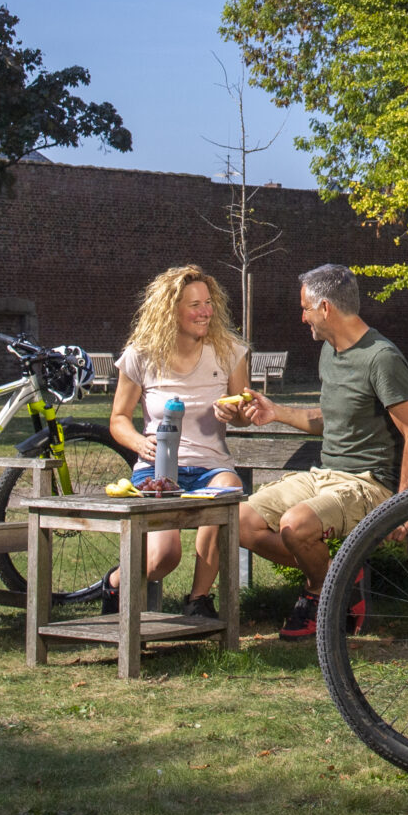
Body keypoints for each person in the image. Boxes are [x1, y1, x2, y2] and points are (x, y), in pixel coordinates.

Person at [229, 263, 408, 639]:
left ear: (326, 308)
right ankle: (341, 578)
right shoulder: (330, 352)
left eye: (305, 308)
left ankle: (321, 593)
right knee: (239, 521)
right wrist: (276, 412)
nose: (302, 317)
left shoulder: (381, 358)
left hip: (368, 484)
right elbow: (329, 418)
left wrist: (403, 508)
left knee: (295, 525)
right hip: (325, 476)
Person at [96, 264, 249, 618]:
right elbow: (118, 419)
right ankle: (115, 583)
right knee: (163, 558)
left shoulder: (229, 351)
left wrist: (236, 413)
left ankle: (198, 600)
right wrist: (139, 443)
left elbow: (243, 411)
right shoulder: (141, 355)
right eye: (195, 305)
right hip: (158, 468)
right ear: (170, 310)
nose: (205, 312)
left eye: (208, 303)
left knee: (229, 490)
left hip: (211, 466)